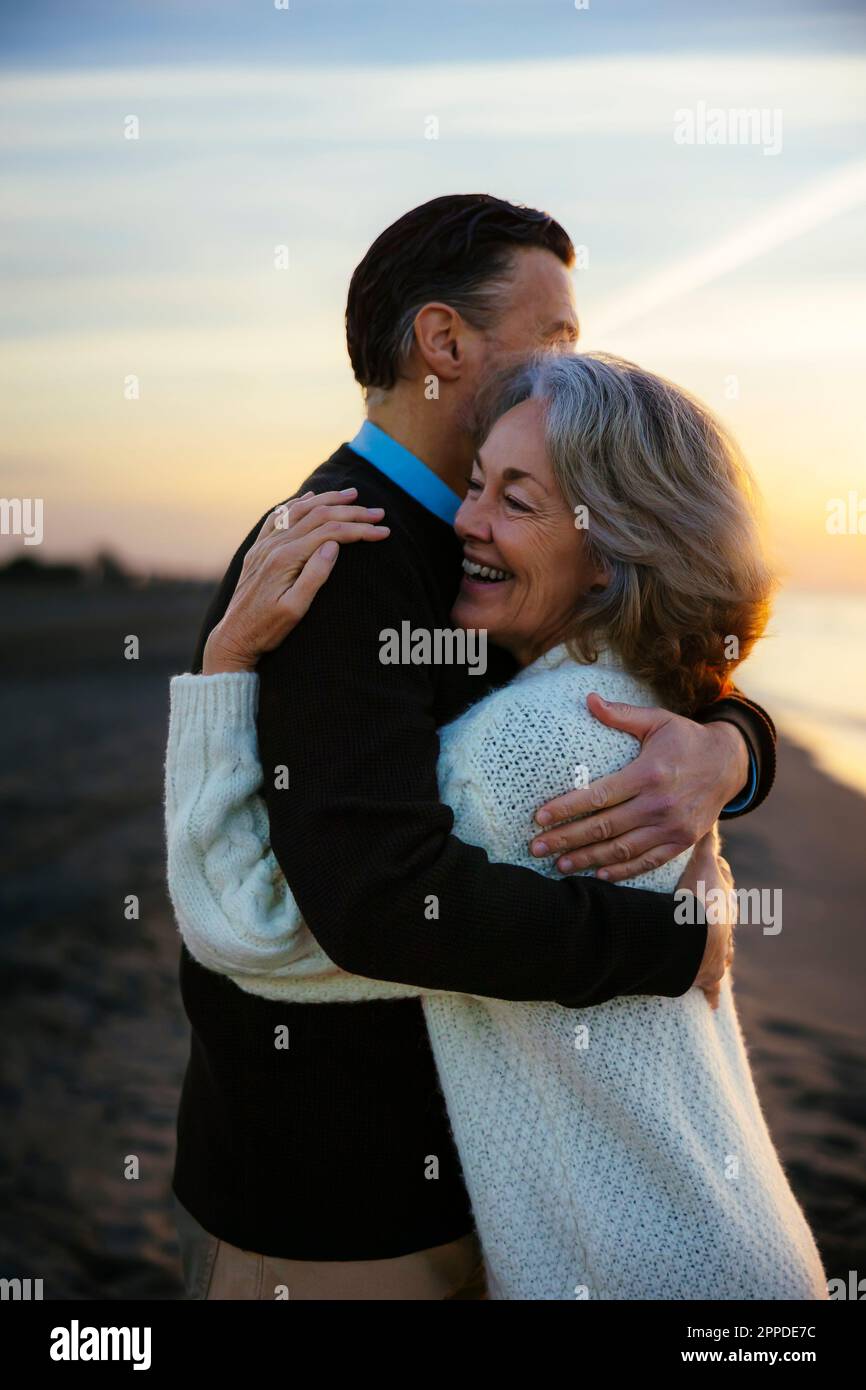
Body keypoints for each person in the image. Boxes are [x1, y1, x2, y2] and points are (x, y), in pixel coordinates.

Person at [167, 194, 776, 1300]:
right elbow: (372, 899)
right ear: (444, 341)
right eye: (552, 337)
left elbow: (655, 655)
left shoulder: (472, 537)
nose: (564, 364)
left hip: (459, 1162)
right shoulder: (342, 553)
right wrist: (672, 946)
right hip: (334, 1192)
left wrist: (729, 749)